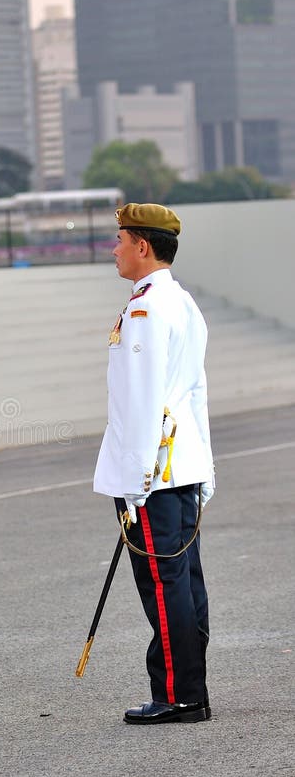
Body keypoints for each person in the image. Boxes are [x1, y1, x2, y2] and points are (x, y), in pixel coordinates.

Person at [93, 203, 215, 725]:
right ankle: (190, 690)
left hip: (154, 473)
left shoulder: (145, 308)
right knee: (185, 583)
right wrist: (205, 468)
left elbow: (143, 399)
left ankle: (178, 695)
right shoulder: (182, 301)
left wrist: (138, 479)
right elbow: (195, 394)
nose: (114, 248)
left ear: (143, 245)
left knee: (165, 589)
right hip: (179, 465)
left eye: (120, 239)